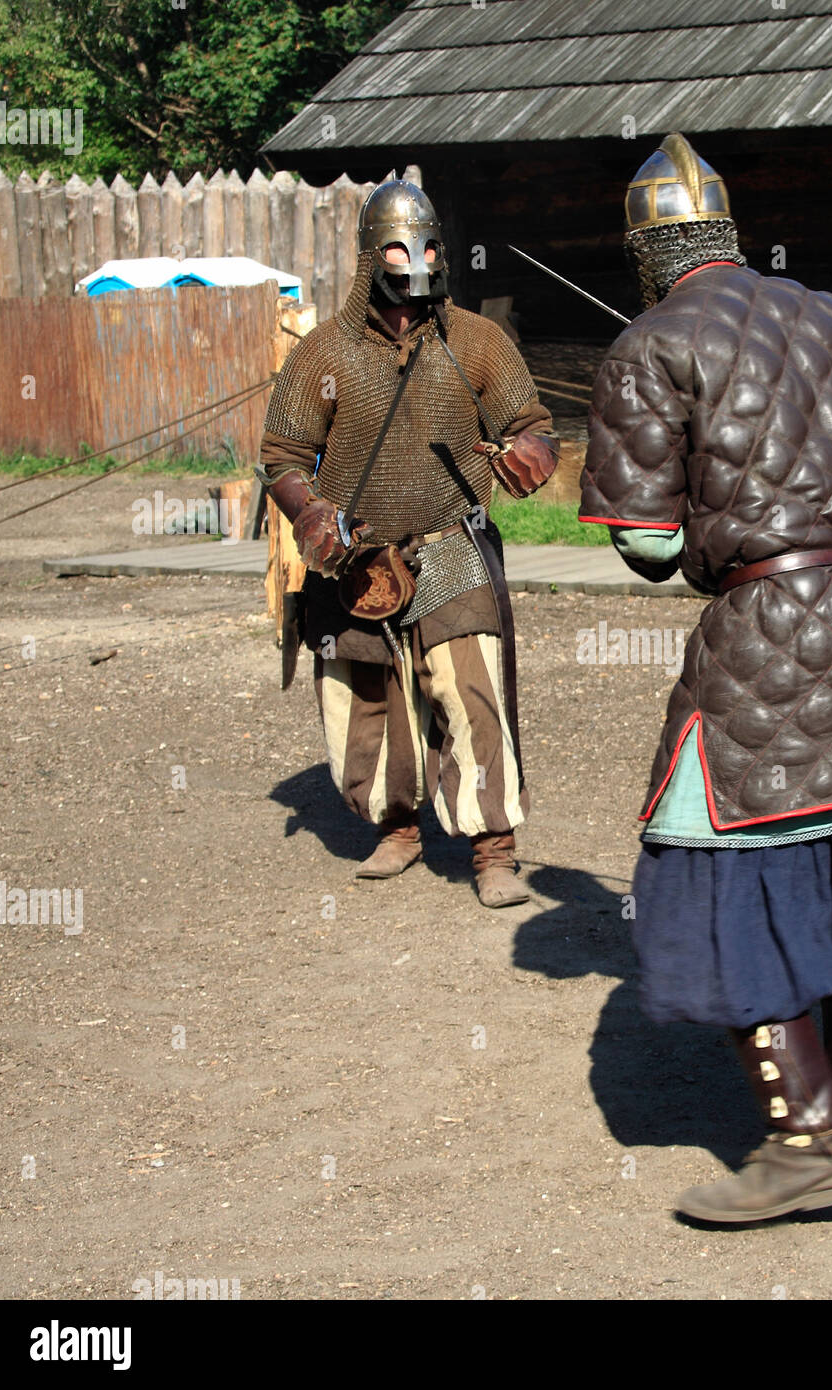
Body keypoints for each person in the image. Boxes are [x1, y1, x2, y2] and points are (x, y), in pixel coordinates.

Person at [580, 134, 832, 1222]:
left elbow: (648, 545)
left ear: (647, 251)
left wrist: (726, 513)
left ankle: (806, 1140)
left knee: (716, 870)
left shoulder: (648, 344)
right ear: (731, 234)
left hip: (768, 630)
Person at [258, 179, 558, 908]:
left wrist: (530, 453)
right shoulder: (325, 352)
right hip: (356, 558)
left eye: (427, 244)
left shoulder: (477, 341)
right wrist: (310, 513)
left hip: (450, 546)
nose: (416, 257)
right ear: (370, 256)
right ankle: (397, 828)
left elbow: (530, 421)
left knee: (471, 696)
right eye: (398, 245)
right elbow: (282, 455)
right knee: (366, 701)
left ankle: (493, 849)